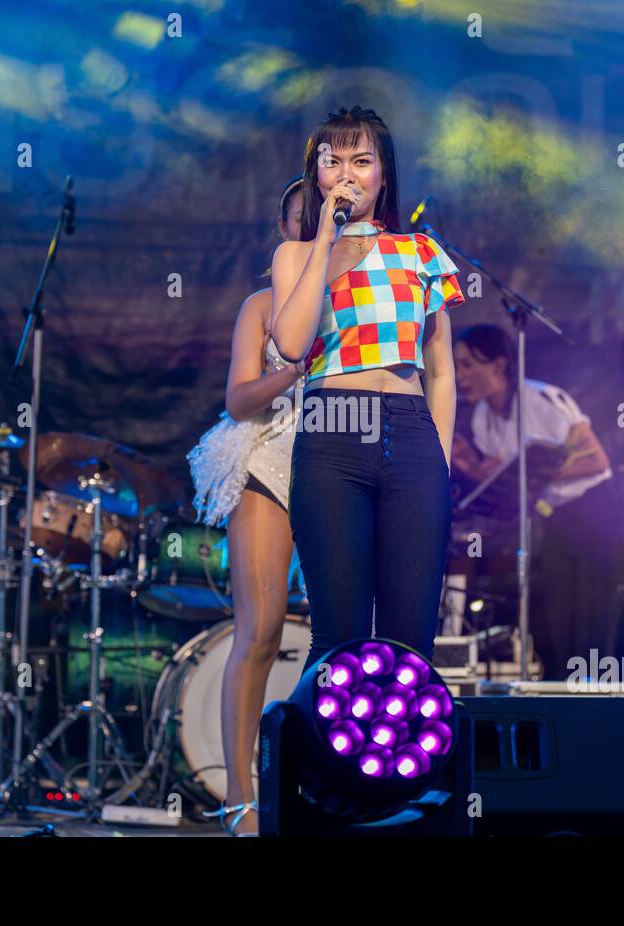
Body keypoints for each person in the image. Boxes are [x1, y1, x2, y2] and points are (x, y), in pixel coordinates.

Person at [270, 105, 464, 669]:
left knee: (411, 643)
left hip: (411, 435)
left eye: (363, 160)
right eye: (334, 163)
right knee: (338, 637)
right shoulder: (298, 255)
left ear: (384, 173)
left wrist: (440, 461)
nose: (348, 174)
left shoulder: (421, 253)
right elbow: (289, 341)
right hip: (332, 427)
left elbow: (442, 370)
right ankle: (320, 759)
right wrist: (326, 238)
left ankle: (408, 754)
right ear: (317, 177)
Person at [186, 176, 306, 836]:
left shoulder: (358, 297)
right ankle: (240, 796)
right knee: (260, 632)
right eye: (297, 218)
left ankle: (330, 784)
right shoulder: (262, 303)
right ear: (281, 229)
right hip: (269, 464)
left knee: (347, 634)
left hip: (342, 464)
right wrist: (293, 368)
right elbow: (237, 399)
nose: (308, 226)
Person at [450, 324, 618, 679]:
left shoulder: (541, 401)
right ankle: (558, 693)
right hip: (551, 519)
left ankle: (593, 702)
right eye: (456, 366)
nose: (459, 375)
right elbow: (512, 485)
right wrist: (474, 470)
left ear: (498, 366)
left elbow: (597, 461)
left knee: (586, 620)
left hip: (594, 514)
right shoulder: (482, 419)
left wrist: (530, 469)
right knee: (551, 617)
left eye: (467, 365)